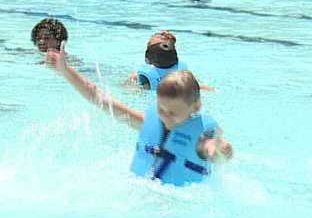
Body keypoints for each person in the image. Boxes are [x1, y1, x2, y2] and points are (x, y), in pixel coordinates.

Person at [46, 50, 232, 186]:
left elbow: (215, 148)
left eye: (173, 112)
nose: (165, 116)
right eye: (161, 108)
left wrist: (221, 149)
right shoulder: (149, 122)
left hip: (181, 207)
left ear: (196, 107)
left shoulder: (201, 137)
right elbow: (100, 99)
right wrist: (66, 71)